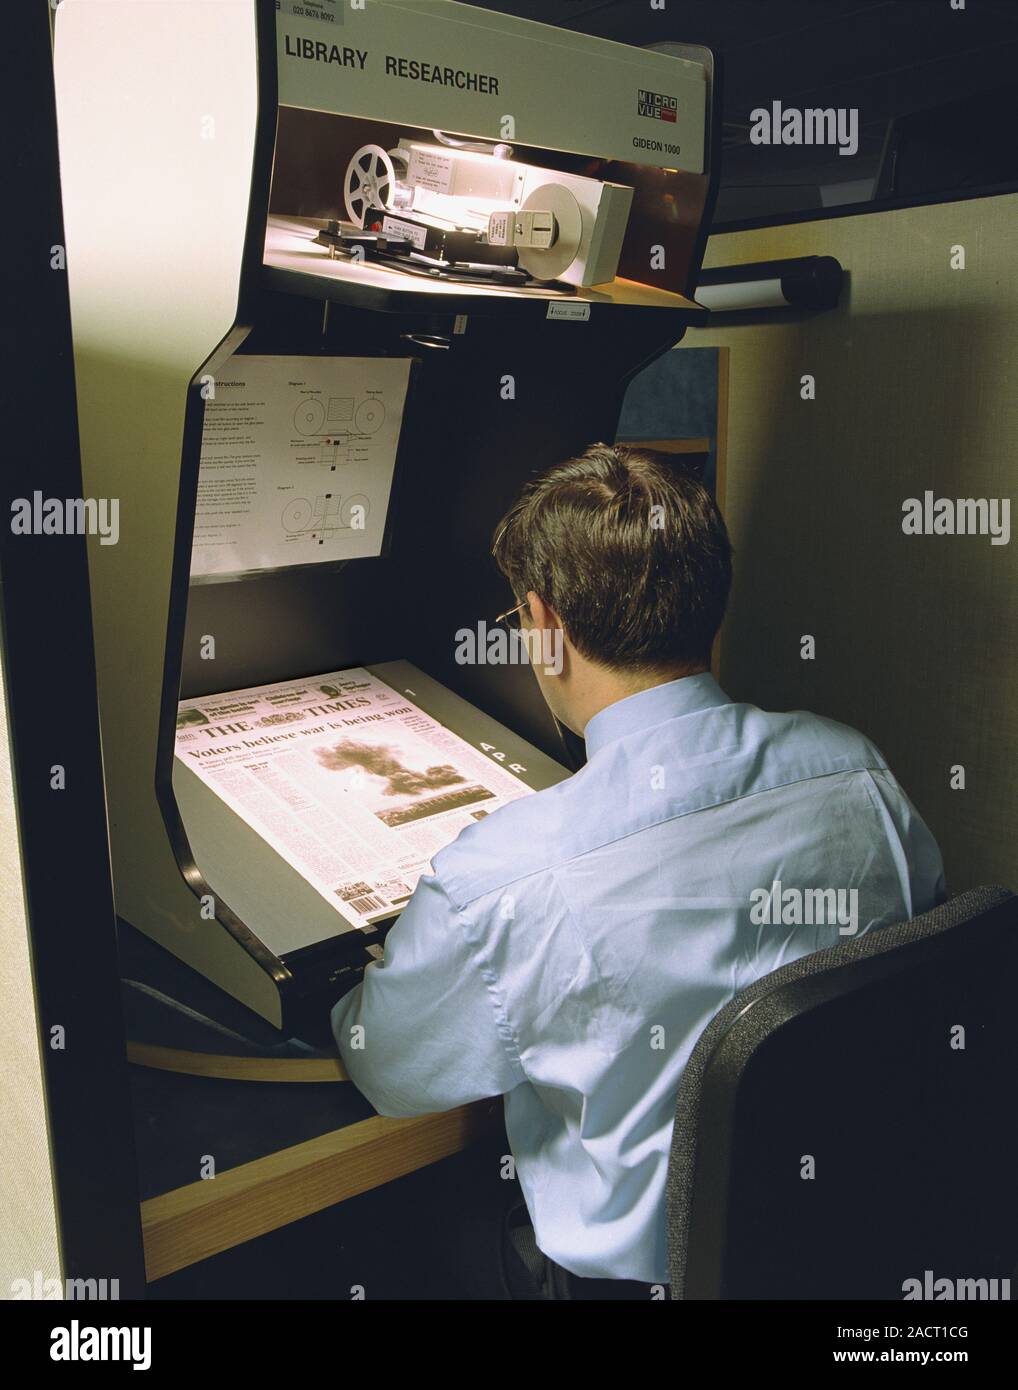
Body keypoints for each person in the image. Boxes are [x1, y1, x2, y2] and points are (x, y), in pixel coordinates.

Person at [330, 443, 945, 1298]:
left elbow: (387, 1069)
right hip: (850, 1248)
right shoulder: (858, 773)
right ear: (709, 604)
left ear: (545, 628)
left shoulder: (501, 879)